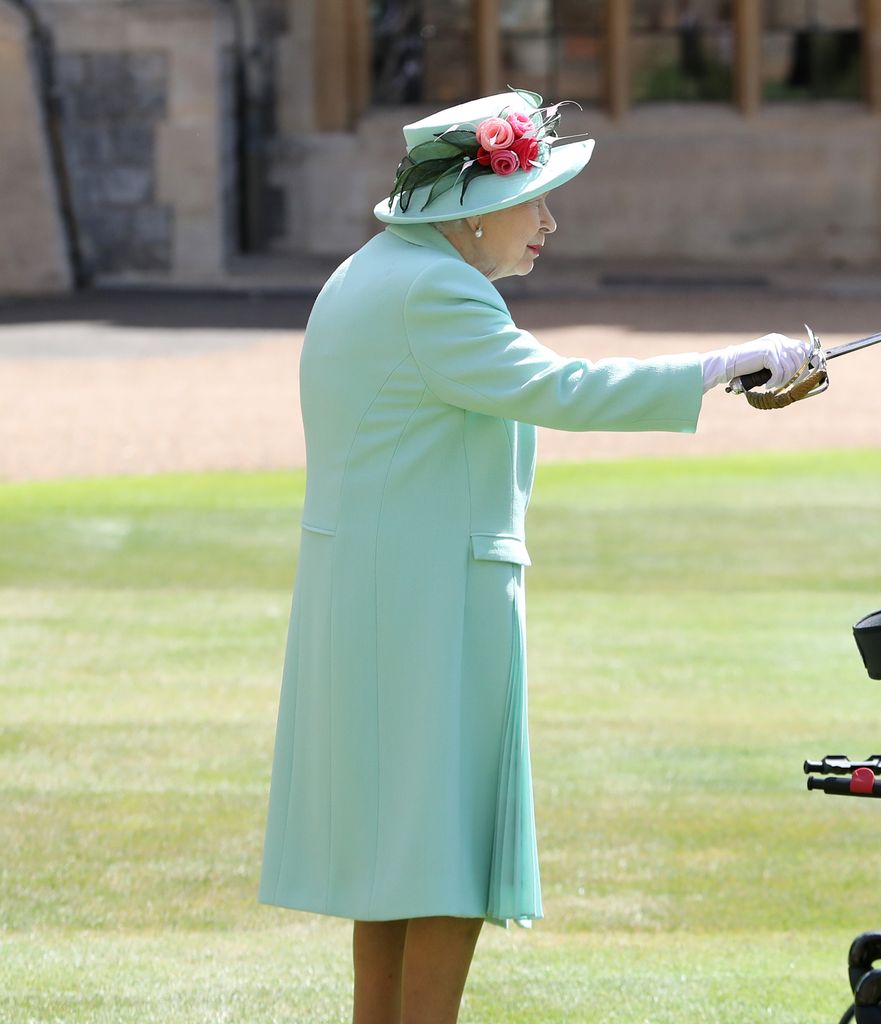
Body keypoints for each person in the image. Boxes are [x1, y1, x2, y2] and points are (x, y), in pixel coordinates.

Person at [257, 91, 817, 1024]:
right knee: (444, 855)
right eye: (535, 195)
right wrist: (733, 362)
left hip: (383, 598)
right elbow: (564, 388)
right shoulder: (434, 289)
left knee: (402, 856)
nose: (550, 219)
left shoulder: (369, 270)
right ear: (472, 210)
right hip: (428, 605)